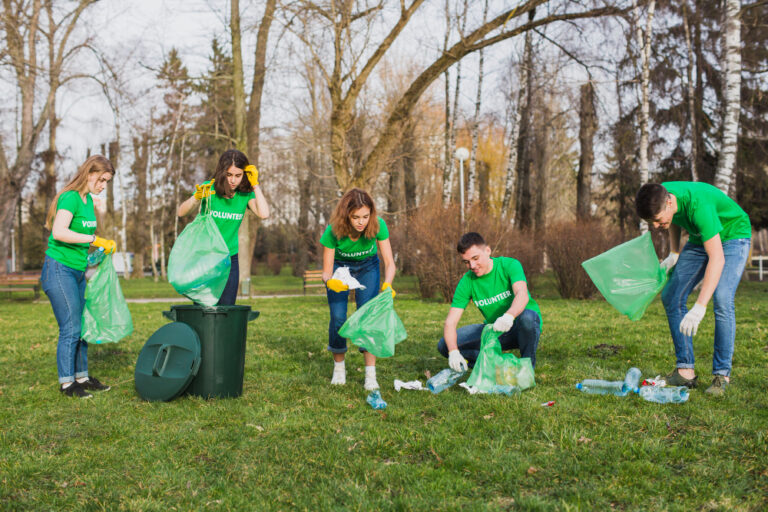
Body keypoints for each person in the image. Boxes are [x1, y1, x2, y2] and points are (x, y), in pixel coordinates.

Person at [636, 182, 751, 395]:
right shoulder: (662, 195)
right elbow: (674, 221)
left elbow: (717, 259)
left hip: (733, 235)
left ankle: (721, 375)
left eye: (657, 219)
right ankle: (685, 371)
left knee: (722, 298)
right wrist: (674, 253)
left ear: (669, 203)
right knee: (671, 295)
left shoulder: (700, 207)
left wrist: (699, 307)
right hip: (700, 237)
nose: (655, 226)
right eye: (651, 222)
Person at [42, 155, 117, 398]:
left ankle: (81, 377)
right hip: (58, 269)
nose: (103, 185)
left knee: (81, 326)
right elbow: (60, 232)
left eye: (107, 181)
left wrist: (99, 251)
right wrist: (95, 239)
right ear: (89, 173)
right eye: (102, 179)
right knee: (71, 327)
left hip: (77, 270)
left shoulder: (87, 202)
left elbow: (81, 241)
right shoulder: (70, 197)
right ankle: (67, 384)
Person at [320, 188, 396, 390]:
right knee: (338, 316)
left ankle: (370, 375)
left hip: (367, 267)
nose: (361, 222)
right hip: (340, 269)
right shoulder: (333, 230)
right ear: (346, 215)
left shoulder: (378, 225)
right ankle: (339, 369)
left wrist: (387, 283)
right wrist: (330, 282)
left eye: (365, 216)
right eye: (355, 217)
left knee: (368, 316)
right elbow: (326, 271)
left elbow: (389, 262)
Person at [438, 232, 542, 373]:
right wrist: (453, 352)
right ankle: (495, 368)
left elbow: (522, 294)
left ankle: (527, 369)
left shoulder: (509, 265)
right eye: (466, 262)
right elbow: (450, 323)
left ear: (487, 250)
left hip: (521, 326)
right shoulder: (467, 281)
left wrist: (509, 316)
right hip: (495, 329)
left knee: (528, 318)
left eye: (475, 258)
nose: (472, 265)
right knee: (445, 345)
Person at [177, 149, 269, 305]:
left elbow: (264, 214)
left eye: (238, 175)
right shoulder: (209, 188)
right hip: (206, 257)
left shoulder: (244, 195)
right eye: (229, 175)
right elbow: (181, 212)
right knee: (204, 307)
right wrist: (195, 199)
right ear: (221, 173)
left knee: (227, 308)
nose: (233, 180)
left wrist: (255, 185)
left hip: (229, 259)